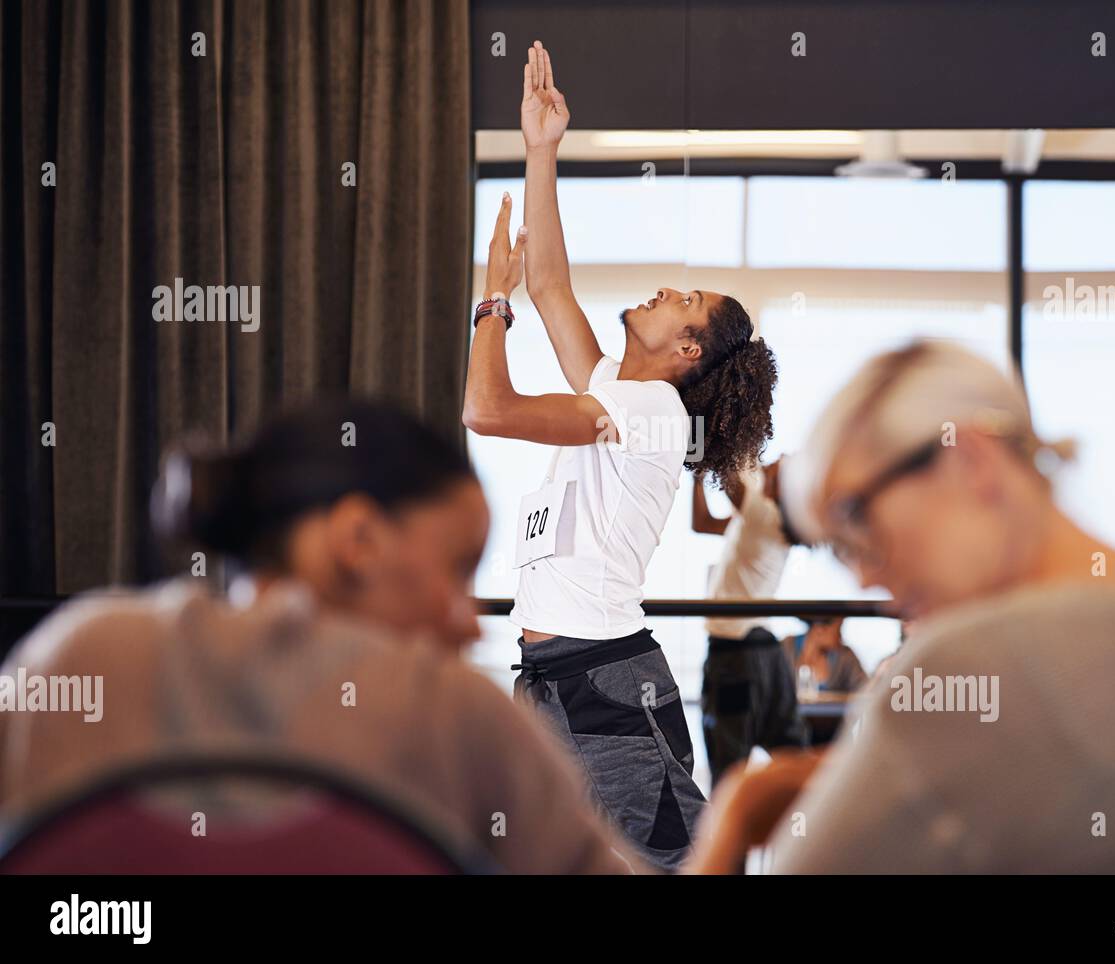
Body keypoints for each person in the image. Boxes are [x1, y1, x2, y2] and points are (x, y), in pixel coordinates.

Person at [690, 340, 1115, 873]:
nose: (870, 578)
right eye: (843, 553)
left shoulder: (952, 674)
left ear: (971, 461)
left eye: (858, 521)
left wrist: (740, 811)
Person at [0, 398, 647, 875]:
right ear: (357, 540)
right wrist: (735, 822)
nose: (466, 620)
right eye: (457, 570)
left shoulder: (78, 655)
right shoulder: (452, 710)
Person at [462, 41, 778, 870]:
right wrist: (541, 151)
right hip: (562, 673)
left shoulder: (647, 410)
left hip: (599, 676)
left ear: (685, 351)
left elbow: (486, 410)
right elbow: (554, 289)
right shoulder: (621, 391)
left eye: (688, 303)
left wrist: (488, 301)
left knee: (676, 864)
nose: (670, 289)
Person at [691, 461, 805, 780]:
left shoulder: (765, 514)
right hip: (763, 650)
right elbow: (701, 523)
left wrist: (706, 445)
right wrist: (698, 473)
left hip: (735, 654)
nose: (770, 463)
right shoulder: (762, 519)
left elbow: (725, 469)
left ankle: (729, 828)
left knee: (728, 767)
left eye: (778, 465)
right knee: (790, 754)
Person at [781, 615, 868, 697]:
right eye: (838, 629)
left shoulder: (845, 655)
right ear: (820, 629)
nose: (841, 636)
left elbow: (865, 687)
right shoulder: (787, 647)